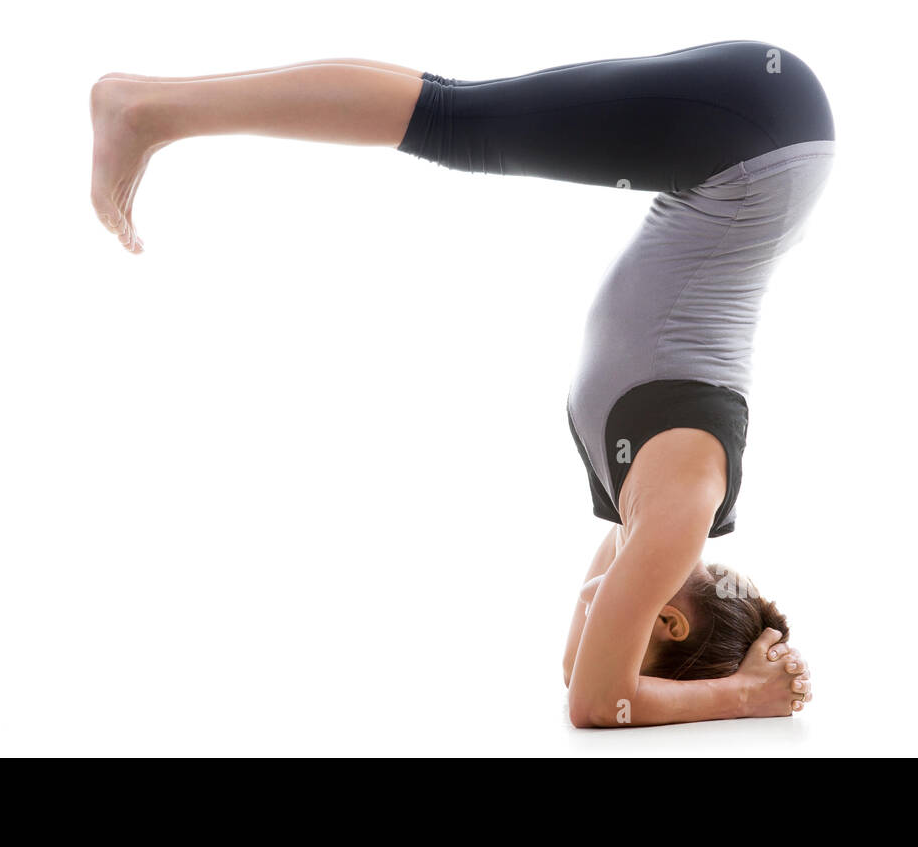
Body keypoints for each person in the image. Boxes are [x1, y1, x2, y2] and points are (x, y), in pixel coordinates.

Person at [89, 40, 830, 728]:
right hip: (757, 136)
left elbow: (577, 669)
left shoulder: (642, 518)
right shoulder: (679, 512)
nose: (600, 613)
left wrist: (701, 677)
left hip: (754, 145)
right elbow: (600, 701)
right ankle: (149, 109)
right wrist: (744, 695)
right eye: (632, 630)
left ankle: (153, 105)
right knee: (452, 119)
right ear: (667, 622)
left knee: (457, 118)